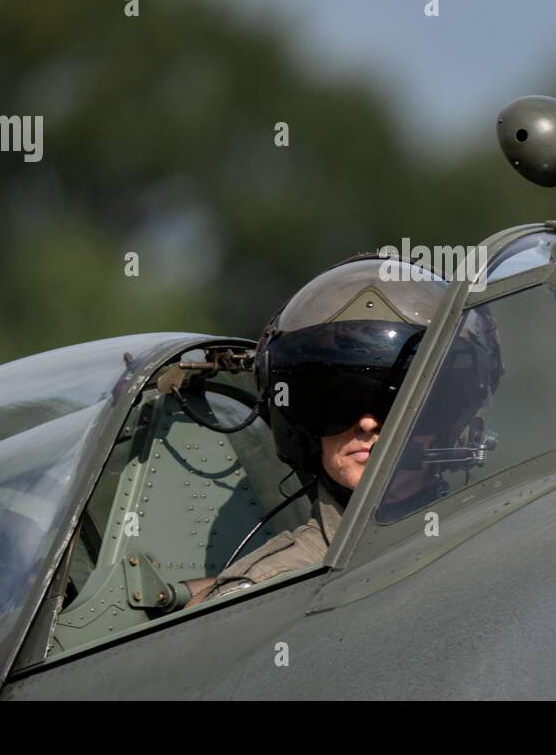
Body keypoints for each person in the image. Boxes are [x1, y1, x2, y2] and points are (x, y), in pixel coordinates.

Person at [180, 253, 447, 607]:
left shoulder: (512, 531)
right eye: (334, 400)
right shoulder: (258, 599)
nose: (367, 423)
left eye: (397, 399)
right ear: (299, 429)